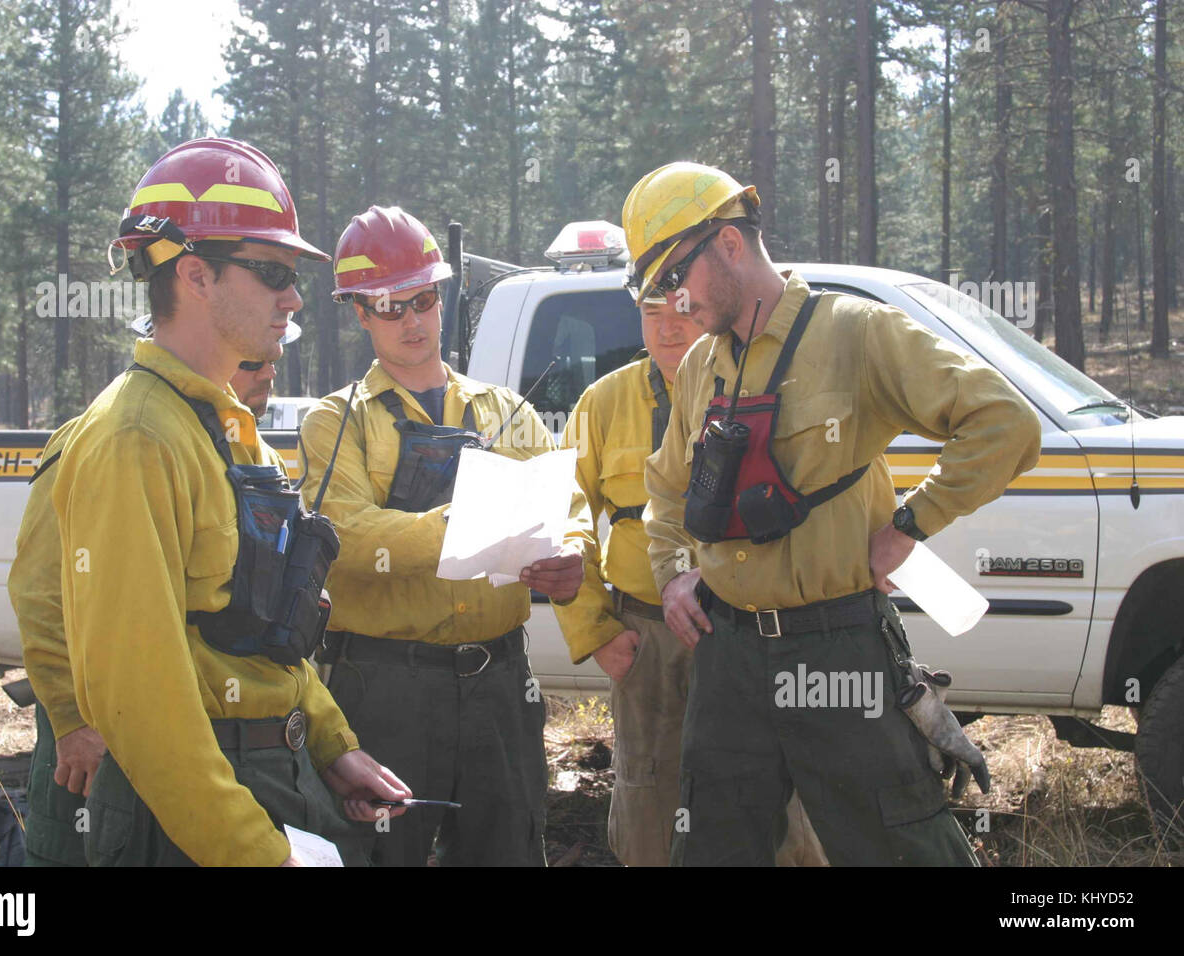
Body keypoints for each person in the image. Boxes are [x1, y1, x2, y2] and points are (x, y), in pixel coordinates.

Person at [629, 162, 1042, 866]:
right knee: (711, 850)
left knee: (902, 847)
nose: (673, 305)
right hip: (726, 658)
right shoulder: (702, 366)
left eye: (676, 278)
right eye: (658, 290)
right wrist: (672, 574)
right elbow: (666, 489)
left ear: (728, 244)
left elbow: (1005, 423)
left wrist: (912, 524)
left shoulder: (854, 333)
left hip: (836, 649)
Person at [43, 137, 410, 867]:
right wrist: (256, 856)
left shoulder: (229, 431)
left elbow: (264, 639)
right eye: (272, 271)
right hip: (186, 816)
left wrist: (333, 748)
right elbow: (142, 700)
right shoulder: (135, 438)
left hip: (267, 778)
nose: (295, 296)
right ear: (195, 276)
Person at [299, 205, 592, 866]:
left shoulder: (507, 411)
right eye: (388, 304)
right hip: (383, 689)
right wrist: (459, 527)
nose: (410, 319)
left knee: (508, 850)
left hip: (500, 684)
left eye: (423, 300)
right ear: (360, 313)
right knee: (382, 855)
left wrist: (573, 557)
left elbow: (565, 508)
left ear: (442, 298)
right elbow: (341, 531)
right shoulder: (336, 422)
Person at [555, 290, 827, 867]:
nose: (669, 330)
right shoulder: (604, 402)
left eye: (681, 309)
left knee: (777, 803)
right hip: (647, 637)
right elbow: (565, 516)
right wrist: (595, 631)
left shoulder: (769, 385)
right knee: (650, 804)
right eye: (652, 313)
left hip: (757, 636)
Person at [12, 321, 298, 867]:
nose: (266, 374)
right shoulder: (106, 439)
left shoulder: (242, 451)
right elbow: (43, 593)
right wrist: (73, 721)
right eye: (250, 364)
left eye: (269, 363)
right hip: (93, 743)